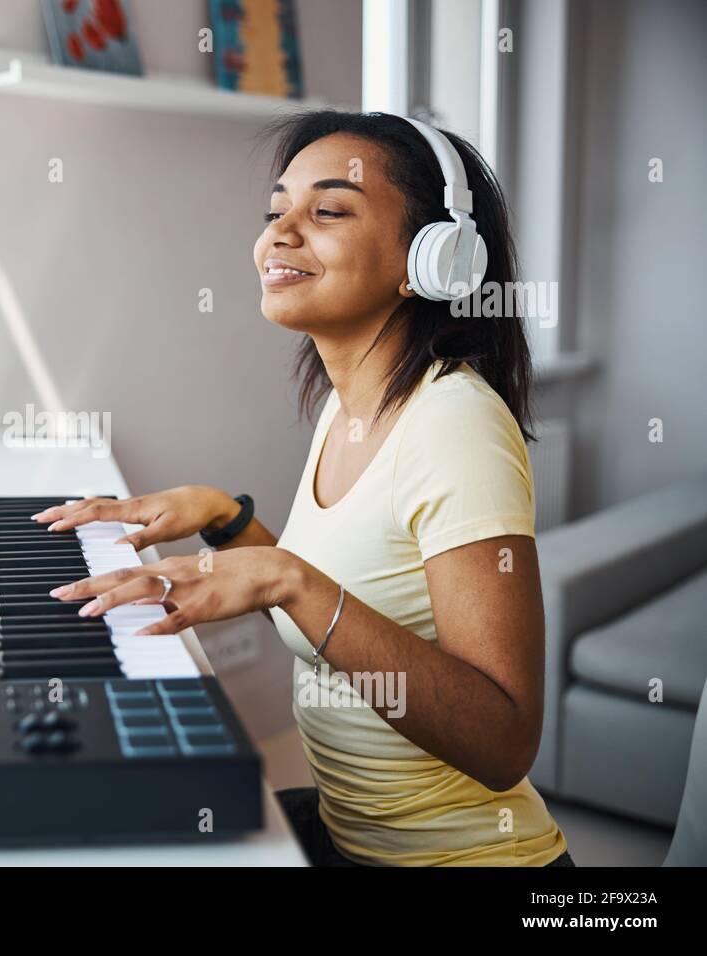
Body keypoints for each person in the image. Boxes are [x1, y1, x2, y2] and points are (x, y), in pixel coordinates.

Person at [32, 110, 573, 867]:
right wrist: (224, 517)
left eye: (327, 210)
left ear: (433, 257)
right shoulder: (346, 407)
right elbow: (357, 592)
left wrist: (287, 579)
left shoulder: (455, 424)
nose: (278, 234)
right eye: (275, 209)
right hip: (347, 832)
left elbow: (503, 739)